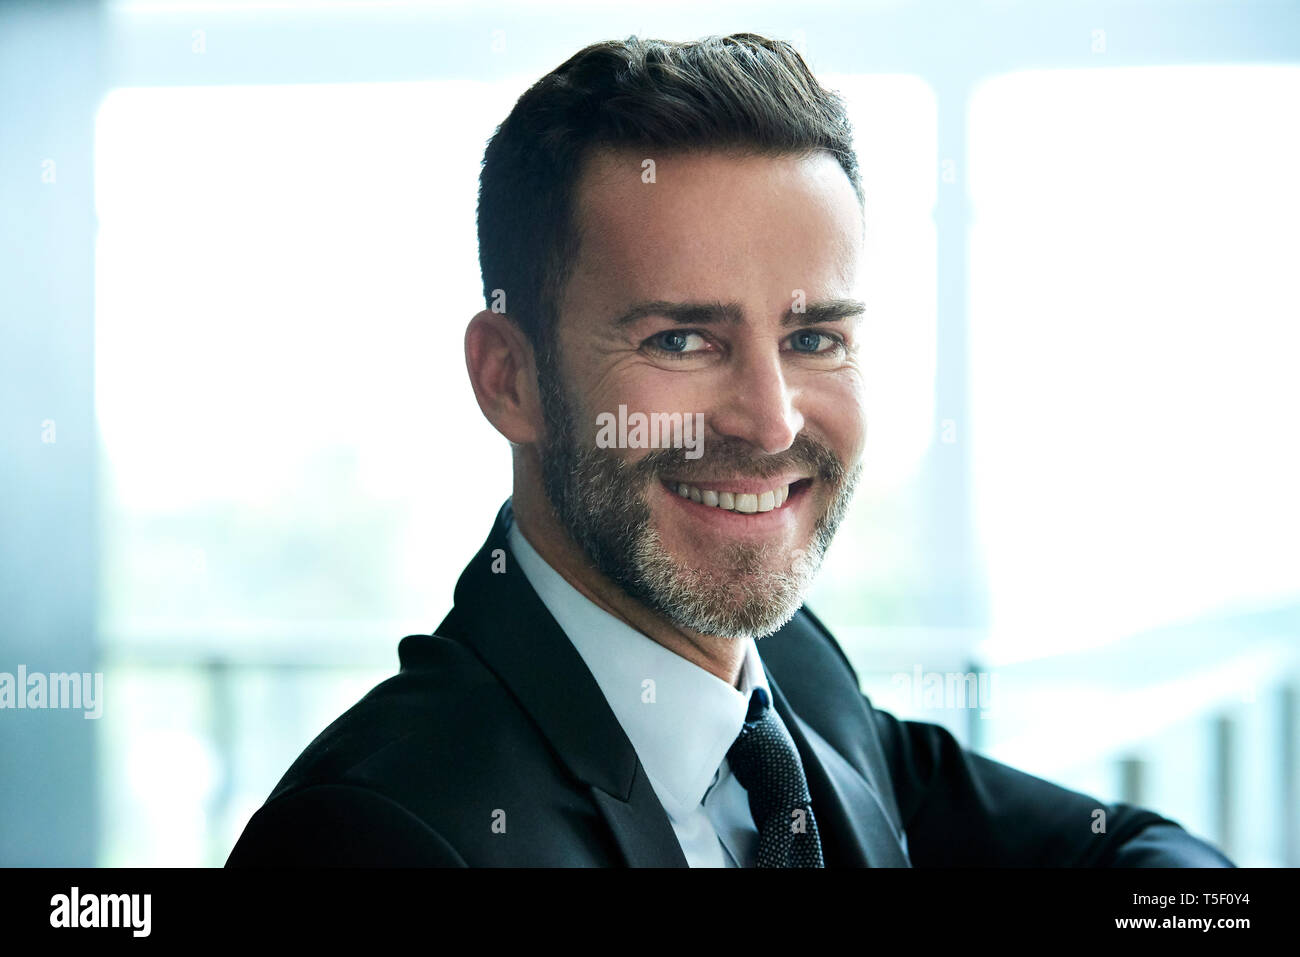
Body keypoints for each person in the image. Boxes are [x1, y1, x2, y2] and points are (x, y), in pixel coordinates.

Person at [227, 33, 1233, 867]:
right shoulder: (378, 838)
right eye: (681, 341)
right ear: (510, 379)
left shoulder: (792, 679)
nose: (772, 421)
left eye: (813, 339)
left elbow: (1127, 854)